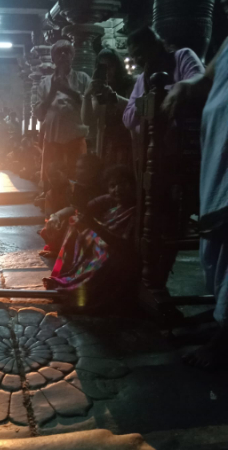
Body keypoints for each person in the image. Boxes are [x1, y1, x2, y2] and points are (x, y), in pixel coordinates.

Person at [162, 36, 228, 368]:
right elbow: (209, 77)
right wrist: (187, 86)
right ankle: (220, 318)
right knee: (217, 240)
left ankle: (224, 341)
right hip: (219, 148)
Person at [43, 165, 138, 307]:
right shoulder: (114, 204)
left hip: (115, 258)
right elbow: (90, 206)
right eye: (113, 186)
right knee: (76, 229)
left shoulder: (134, 211)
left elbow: (121, 245)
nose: (117, 189)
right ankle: (73, 274)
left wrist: (93, 225)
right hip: (102, 249)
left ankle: (83, 285)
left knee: (87, 235)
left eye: (122, 184)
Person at [122, 26, 205, 135]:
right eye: (133, 56)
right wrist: (146, 101)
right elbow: (127, 121)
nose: (136, 61)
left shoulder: (182, 56)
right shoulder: (142, 79)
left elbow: (200, 81)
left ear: (155, 46)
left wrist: (175, 90)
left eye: (139, 53)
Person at [32, 40, 91, 192]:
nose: (63, 55)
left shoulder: (83, 78)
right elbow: (39, 114)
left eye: (67, 52)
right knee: (51, 179)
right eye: (59, 52)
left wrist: (67, 90)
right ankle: (52, 209)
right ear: (53, 58)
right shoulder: (45, 83)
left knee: (77, 177)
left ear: (72, 57)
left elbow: (90, 105)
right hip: (52, 139)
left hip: (76, 139)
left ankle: (74, 211)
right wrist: (52, 92)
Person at [39, 154, 104, 258]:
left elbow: (76, 209)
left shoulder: (76, 187)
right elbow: (49, 215)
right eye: (50, 176)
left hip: (89, 224)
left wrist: (59, 216)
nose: (53, 179)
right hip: (68, 221)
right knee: (47, 230)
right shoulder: (50, 194)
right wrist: (52, 221)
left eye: (81, 168)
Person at [82, 48, 135, 167]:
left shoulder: (130, 84)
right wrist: (87, 96)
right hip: (107, 142)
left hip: (127, 141)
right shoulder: (100, 88)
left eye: (110, 67)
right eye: (103, 68)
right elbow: (88, 120)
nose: (107, 72)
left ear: (117, 67)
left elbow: (134, 108)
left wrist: (112, 96)